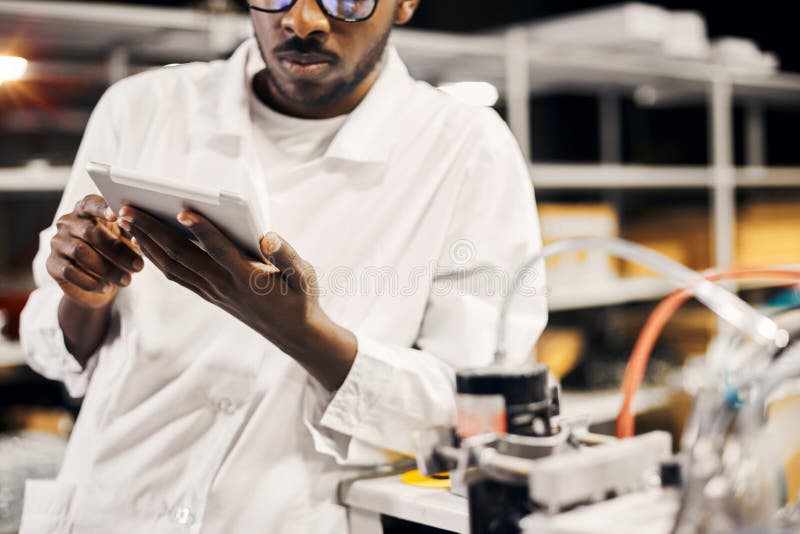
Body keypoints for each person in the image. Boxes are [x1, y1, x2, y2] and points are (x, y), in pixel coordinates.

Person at [19, 0, 547, 531]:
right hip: (108, 508)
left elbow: (475, 405)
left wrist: (304, 334)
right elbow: (51, 347)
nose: (302, 21)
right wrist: (83, 292)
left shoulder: (467, 148)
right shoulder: (141, 106)